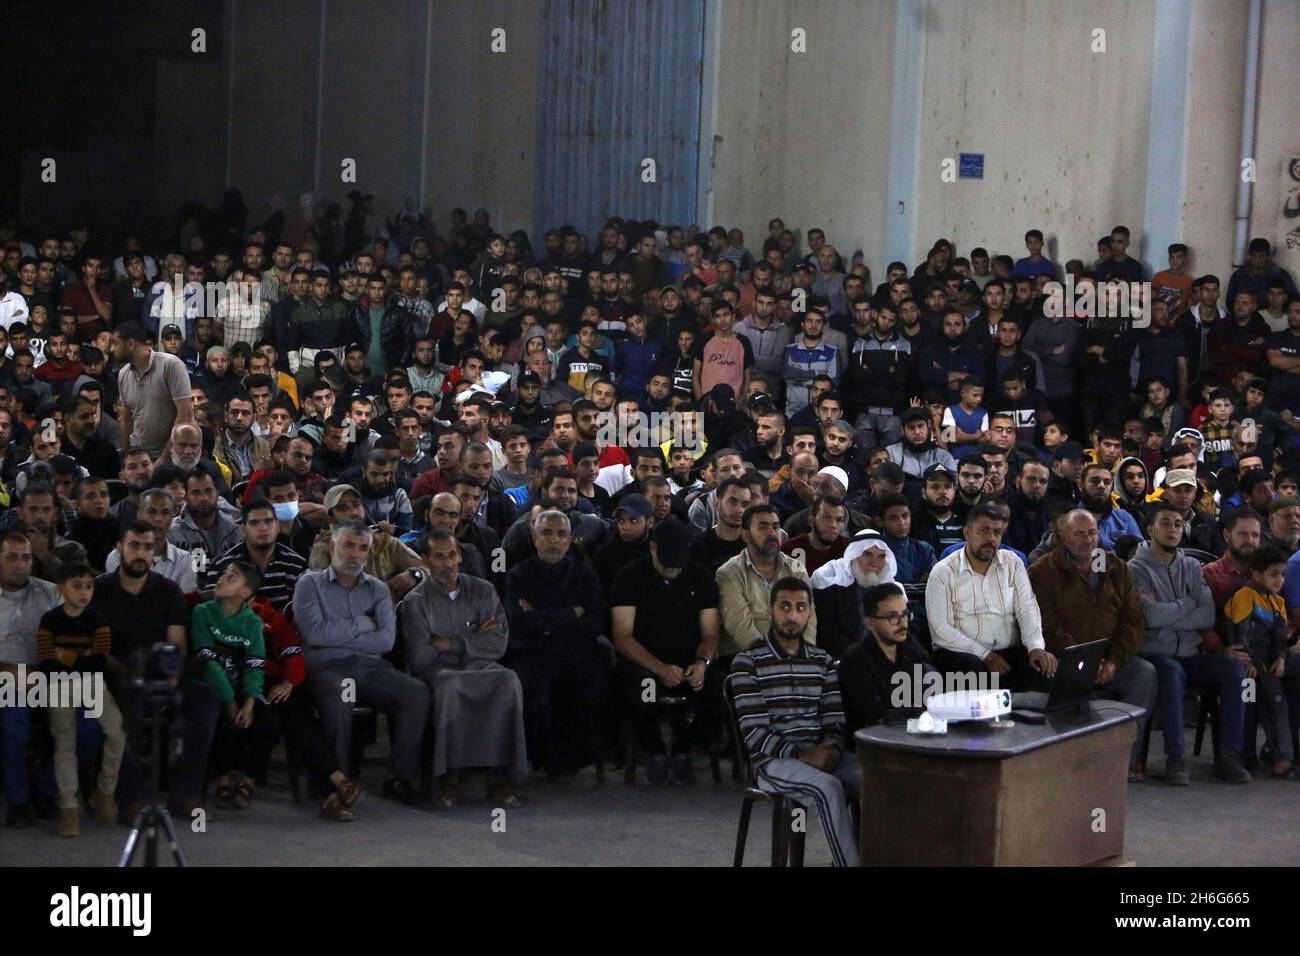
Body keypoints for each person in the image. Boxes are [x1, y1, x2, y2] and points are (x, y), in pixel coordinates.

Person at [293, 520, 431, 804]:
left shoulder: (378, 590)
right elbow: (314, 634)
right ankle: (339, 781)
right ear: (333, 546)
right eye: (348, 546)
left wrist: (338, 632)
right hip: (326, 668)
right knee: (341, 692)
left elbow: (385, 641)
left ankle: (399, 777)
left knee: (416, 693)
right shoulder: (309, 583)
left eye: (362, 548)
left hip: (372, 667)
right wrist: (363, 623)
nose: (355, 554)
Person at [730, 576, 861, 867]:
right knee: (828, 789)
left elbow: (834, 719)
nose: (792, 615)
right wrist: (804, 755)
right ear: (770, 609)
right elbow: (754, 734)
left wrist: (832, 749)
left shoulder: (821, 660)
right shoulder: (747, 661)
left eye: (801, 607)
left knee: (875, 781)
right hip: (772, 762)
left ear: (811, 612)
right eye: (785, 607)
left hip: (820, 753)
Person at [94, 521, 220, 819]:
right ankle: (132, 797)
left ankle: (185, 793)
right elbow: (98, 649)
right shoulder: (101, 589)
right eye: (134, 545)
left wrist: (171, 678)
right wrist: (127, 673)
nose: (141, 553)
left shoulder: (167, 590)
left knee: (205, 699)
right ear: (119, 548)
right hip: (117, 674)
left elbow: (176, 642)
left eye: (148, 547)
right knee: (128, 702)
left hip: (162, 671)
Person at [1026, 509, 1159, 778]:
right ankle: (1076, 764)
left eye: (1092, 533)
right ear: (1062, 536)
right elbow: (1046, 626)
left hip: (1111, 657)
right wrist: (1082, 658)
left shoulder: (1116, 568)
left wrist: (1114, 660)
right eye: (1078, 534)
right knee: (1062, 684)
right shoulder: (1043, 572)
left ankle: (1125, 758)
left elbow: (1132, 621)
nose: (1088, 541)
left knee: (1145, 673)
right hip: (1066, 658)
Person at [401, 528, 527, 808]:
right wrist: (473, 639)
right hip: (438, 672)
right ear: (426, 560)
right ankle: (450, 776)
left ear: (460, 556)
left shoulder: (483, 590)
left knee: (507, 680)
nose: (447, 563)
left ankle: (499, 775)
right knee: (450, 684)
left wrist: (451, 643)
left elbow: (497, 644)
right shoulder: (415, 603)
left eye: (452, 555)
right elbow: (422, 656)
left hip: (481, 665)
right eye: (439, 557)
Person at [1129, 502, 1252, 785]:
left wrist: (1170, 614)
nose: (1172, 529)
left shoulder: (1192, 566)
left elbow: (1207, 613)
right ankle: (1176, 758)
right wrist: (1187, 604)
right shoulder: (1135, 569)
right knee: (1171, 672)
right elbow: (1150, 617)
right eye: (1165, 523)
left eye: (1178, 524)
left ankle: (1229, 755)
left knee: (1233, 670)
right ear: (1150, 528)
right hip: (1154, 653)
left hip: (1190, 652)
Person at [610, 517, 722, 784]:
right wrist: (659, 668)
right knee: (642, 689)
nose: (673, 570)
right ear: (653, 549)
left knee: (719, 689)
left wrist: (701, 663)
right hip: (645, 662)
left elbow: (710, 633)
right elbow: (622, 636)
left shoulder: (700, 578)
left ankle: (685, 747)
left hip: (688, 661)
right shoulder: (630, 577)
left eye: (678, 564)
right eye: (667, 563)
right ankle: (655, 749)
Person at [503, 509, 608, 782]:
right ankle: (542, 758)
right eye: (546, 533)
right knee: (535, 689)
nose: (553, 540)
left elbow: (595, 622)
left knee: (591, 682)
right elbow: (518, 623)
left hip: (576, 651)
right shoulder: (517, 576)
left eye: (561, 534)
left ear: (570, 539)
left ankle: (573, 760)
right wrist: (572, 613)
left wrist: (540, 617)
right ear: (535, 538)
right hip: (531, 653)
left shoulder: (585, 574)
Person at [925, 502, 1057, 690]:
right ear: (967, 533)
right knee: (972, 670)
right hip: (962, 655)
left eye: (997, 532)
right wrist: (985, 654)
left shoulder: (1013, 563)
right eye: (984, 531)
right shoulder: (943, 572)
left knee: (1044, 666)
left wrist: (1036, 646)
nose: (991, 538)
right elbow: (940, 629)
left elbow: (1027, 608)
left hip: (1008, 651)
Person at [36, 561, 126, 836]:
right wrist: (79, 658)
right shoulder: (49, 620)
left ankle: (105, 790)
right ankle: (68, 806)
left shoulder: (97, 620)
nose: (84, 592)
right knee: (65, 743)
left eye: (89, 586)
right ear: (62, 588)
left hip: (91, 685)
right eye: (77, 586)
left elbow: (98, 663)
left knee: (116, 733)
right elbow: (47, 662)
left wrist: (65, 655)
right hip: (58, 686)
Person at [192, 561, 275, 810]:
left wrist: (249, 702)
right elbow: (207, 662)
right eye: (224, 574)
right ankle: (223, 775)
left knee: (269, 721)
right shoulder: (202, 613)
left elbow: (255, 663)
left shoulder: (252, 623)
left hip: (242, 688)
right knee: (222, 720)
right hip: (214, 687)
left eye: (232, 577)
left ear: (245, 593)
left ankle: (249, 778)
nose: (221, 579)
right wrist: (230, 703)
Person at [0, 532, 64, 827]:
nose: (20, 564)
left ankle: (46, 789)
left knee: (89, 722)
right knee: (13, 724)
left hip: (49, 677)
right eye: (11, 557)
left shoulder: (50, 593)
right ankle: (18, 799)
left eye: (26, 557)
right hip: (6, 679)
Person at [1222, 546, 1295, 779]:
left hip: (1268, 665)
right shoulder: (1245, 596)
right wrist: (1248, 661)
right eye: (1274, 574)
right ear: (1256, 575)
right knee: (1251, 704)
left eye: (1282, 574)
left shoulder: (1277, 603)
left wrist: (1282, 658)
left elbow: (1280, 638)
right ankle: (1251, 754)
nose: (1279, 580)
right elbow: (1239, 634)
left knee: (1278, 700)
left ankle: (1279, 754)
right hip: (1248, 665)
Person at [716, 503, 815, 662]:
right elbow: (740, 628)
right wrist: (775, 662)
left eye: (776, 527)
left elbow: (809, 618)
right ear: (746, 535)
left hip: (794, 656)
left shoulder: (796, 569)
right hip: (744, 658)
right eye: (763, 527)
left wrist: (805, 657)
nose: (772, 533)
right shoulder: (729, 573)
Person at [810, 529, 899, 659]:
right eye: (867, 554)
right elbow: (827, 635)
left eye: (881, 556)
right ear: (854, 555)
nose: (874, 562)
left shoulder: (891, 587)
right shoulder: (829, 579)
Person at [114, 321, 194, 459]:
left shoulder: (170, 365)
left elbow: (185, 415)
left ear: (130, 344)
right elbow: (126, 421)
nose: (112, 349)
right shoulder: (123, 374)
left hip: (173, 455)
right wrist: (125, 459)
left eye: (116, 343)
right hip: (140, 454)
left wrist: (163, 460)